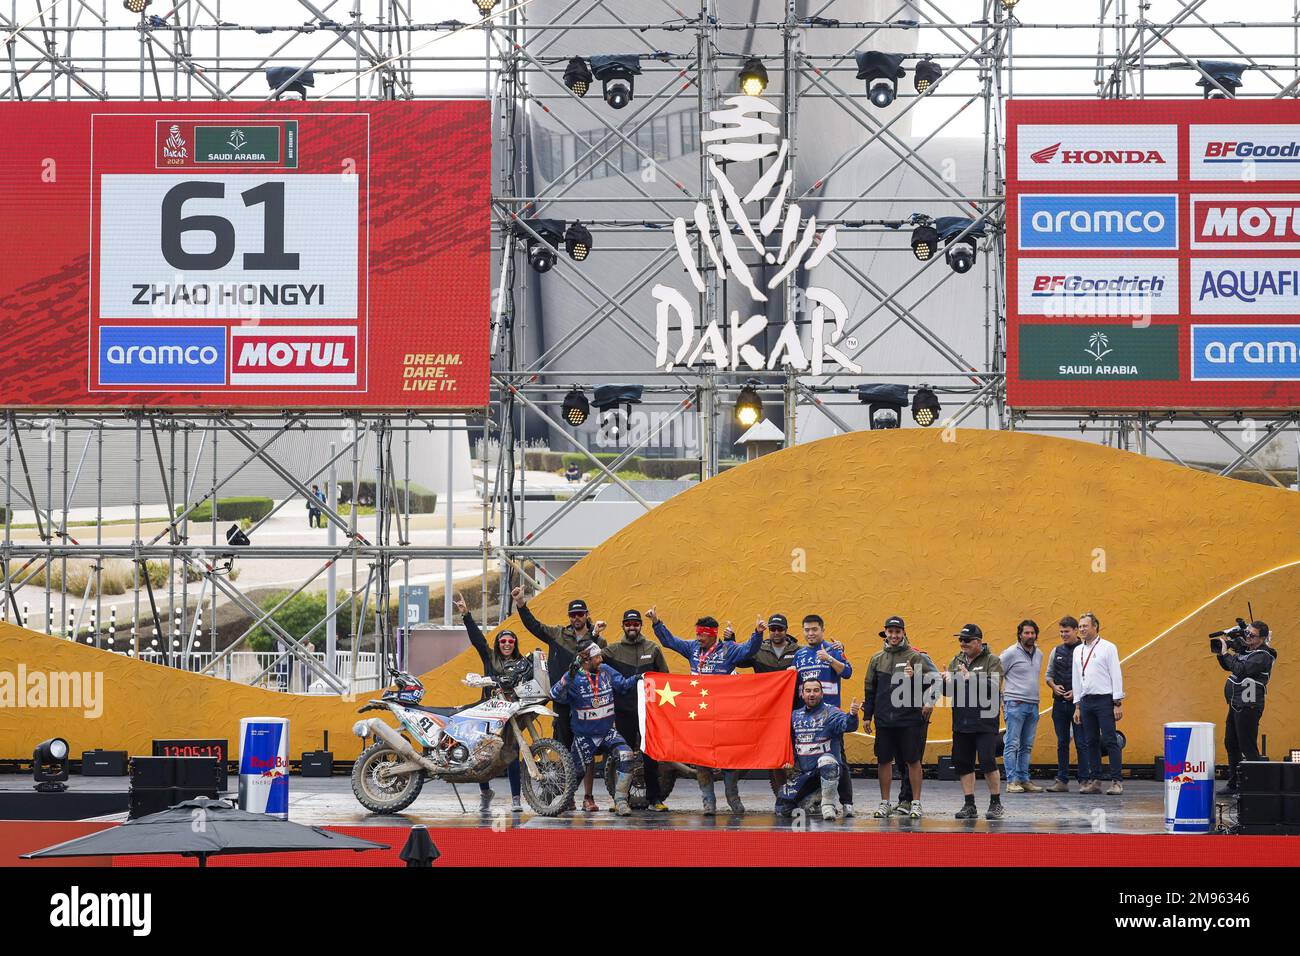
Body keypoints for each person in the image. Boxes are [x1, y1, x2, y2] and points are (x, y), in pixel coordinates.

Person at [647, 605, 763, 814]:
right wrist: (656, 622)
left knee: (728, 757)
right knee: (701, 759)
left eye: (702, 634)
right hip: (698, 715)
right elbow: (669, 642)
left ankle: (732, 796)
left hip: (723, 715)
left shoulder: (729, 650)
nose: (698, 638)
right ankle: (708, 801)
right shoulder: (691, 648)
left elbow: (749, 650)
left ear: (713, 635)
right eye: (697, 633)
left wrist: (758, 634)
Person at [549, 642, 642, 815]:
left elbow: (622, 685)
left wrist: (639, 678)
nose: (601, 659)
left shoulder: (606, 670)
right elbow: (554, 694)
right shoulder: (573, 676)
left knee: (627, 755)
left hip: (608, 732)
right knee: (575, 775)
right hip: (584, 736)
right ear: (585, 660)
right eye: (597, 657)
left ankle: (621, 800)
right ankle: (552, 798)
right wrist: (568, 676)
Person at [512, 586, 607, 753]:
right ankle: (568, 778)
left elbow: (598, 665)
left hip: (587, 697)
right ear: (569, 617)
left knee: (589, 745)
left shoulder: (598, 638)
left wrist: (595, 636)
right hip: (562, 697)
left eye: (580, 614)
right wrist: (520, 603)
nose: (576, 618)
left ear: (587, 614)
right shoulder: (558, 634)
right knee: (564, 740)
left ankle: (586, 780)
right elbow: (534, 626)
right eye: (572, 615)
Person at [454, 592, 524, 812]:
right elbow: (477, 639)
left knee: (512, 754)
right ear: (498, 643)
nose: (506, 644)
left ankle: (516, 799)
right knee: (480, 755)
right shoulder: (489, 657)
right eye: (502, 641)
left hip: (510, 714)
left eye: (510, 641)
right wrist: (466, 615)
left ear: (515, 644)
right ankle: (485, 792)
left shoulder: (522, 663)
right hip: (487, 712)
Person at [862, 614, 935, 818]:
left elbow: (935, 682)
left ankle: (916, 803)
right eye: (890, 631)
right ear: (885, 632)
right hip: (884, 720)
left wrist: (917, 678)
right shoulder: (876, 658)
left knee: (913, 761)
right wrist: (868, 716)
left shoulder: (915, 656)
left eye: (897, 631)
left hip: (910, 719)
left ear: (904, 633)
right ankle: (884, 803)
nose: (894, 635)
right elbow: (870, 688)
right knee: (884, 761)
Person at [602, 609, 671, 811]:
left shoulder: (653, 648)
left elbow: (665, 676)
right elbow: (592, 657)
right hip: (623, 710)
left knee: (650, 755)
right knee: (621, 755)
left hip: (648, 710)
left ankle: (655, 799)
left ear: (641, 625)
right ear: (622, 625)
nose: (632, 627)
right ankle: (619, 799)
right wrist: (595, 633)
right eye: (628, 623)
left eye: (635, 623)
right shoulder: (612, 650)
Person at [791, 614, 856, 815]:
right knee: (808, 760)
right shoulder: (799, 654)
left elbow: (847, 672)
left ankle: (847, 803)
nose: (810, 633)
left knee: (838, 760)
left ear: (822, 630)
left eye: (814, 629)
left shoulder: (834, 649)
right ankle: (816, 800)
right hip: (807, 718)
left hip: (830, 717)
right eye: (807, 630)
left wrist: (829, 659)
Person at [776, 677, 861, 821]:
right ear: (802, 694)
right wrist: (788, 761)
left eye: (816, 690)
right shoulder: (795, 715)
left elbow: (847, 725)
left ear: (822, 694)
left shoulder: (831, 712)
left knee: (827, 761)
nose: (812, 694)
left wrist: (852, 715)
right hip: (805, 774)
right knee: (782, 808)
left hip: (828, 770)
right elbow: (785, 741)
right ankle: (815, 798)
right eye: (808, 691)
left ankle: (828, 804)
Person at [946, 624, 1005, 820]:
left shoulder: (992, 660)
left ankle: (995, 803)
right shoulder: (956, 660)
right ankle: (969, 803)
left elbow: (994, 686)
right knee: (963, 763)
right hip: (962, 720)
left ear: (978, 642)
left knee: (988, 761)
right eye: (960, 640)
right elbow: (948, 692)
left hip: (985, 721)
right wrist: (944, 682)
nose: (962, 644)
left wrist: (971, 677)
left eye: (967, 640)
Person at [737, 612, 800, 796]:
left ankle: (799, 790)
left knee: (797, 749)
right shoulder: (758, 650)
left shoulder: (798, 651)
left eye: (780, 629)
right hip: (768, 711)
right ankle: (781, 795)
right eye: (772, 629)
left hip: (794, 708)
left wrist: (838, 649)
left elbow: (816, 658)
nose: (776, 632)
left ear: (786, 631)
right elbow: (739, 659)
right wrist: (730, 640)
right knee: (775, 752)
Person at [1215, 621, 1276, 796]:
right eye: (1247, 633)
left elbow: (1241, 669)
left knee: (1247, 747)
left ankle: (1255, 787)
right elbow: (1229, 666)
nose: (1247, 637)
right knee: (1231, 743)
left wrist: (1228, 653)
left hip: (1249, 706)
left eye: (1252, 635)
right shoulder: (1246, 652)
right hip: (1235, 704)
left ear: (1262, 638)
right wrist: (1222, 653)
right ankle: (1234, 784)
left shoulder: (1263, 655)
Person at [1071, 611, 1125, 795]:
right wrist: (1077, 706)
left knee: (1110, 740)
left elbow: (1116, 674)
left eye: (1085, 626)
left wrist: (1117, 702)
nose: (1082, 629)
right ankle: (1095, 781)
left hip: (1104, 699)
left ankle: (1117, 781)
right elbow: (1076, 679)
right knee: (1090, 741)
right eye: (1080, 626)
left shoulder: (1108, 647)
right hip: (1086, 701)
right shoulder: (1078, 650)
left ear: (1095, 627)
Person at [1000, 619, 1044, 793]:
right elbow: (997, 674)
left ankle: (1024, 779)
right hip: (1015, 704)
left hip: (1033, 705)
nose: (1030, 636)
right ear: (1019, 634)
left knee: (1027, 745)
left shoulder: (1039, 654)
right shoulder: (1010, 653)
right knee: (1012, 744)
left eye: (1033, 633)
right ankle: (1011, 781)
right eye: (1026, 633)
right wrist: (1001, 700)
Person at [1045, 616, 1081, 792]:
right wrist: (1053, 686)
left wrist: (1077, 691)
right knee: (1062, 742)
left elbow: (1089, 676)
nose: (1063, 635)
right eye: (1061, 632)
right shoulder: (1056, 650)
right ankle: (1062, 780)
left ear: (1075, 630)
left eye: (1066, 631)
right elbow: (1048, 675)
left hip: (1078, 705)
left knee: (1082, 742)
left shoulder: (1084, 650)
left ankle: (1085, 781)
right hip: (1059, 704)